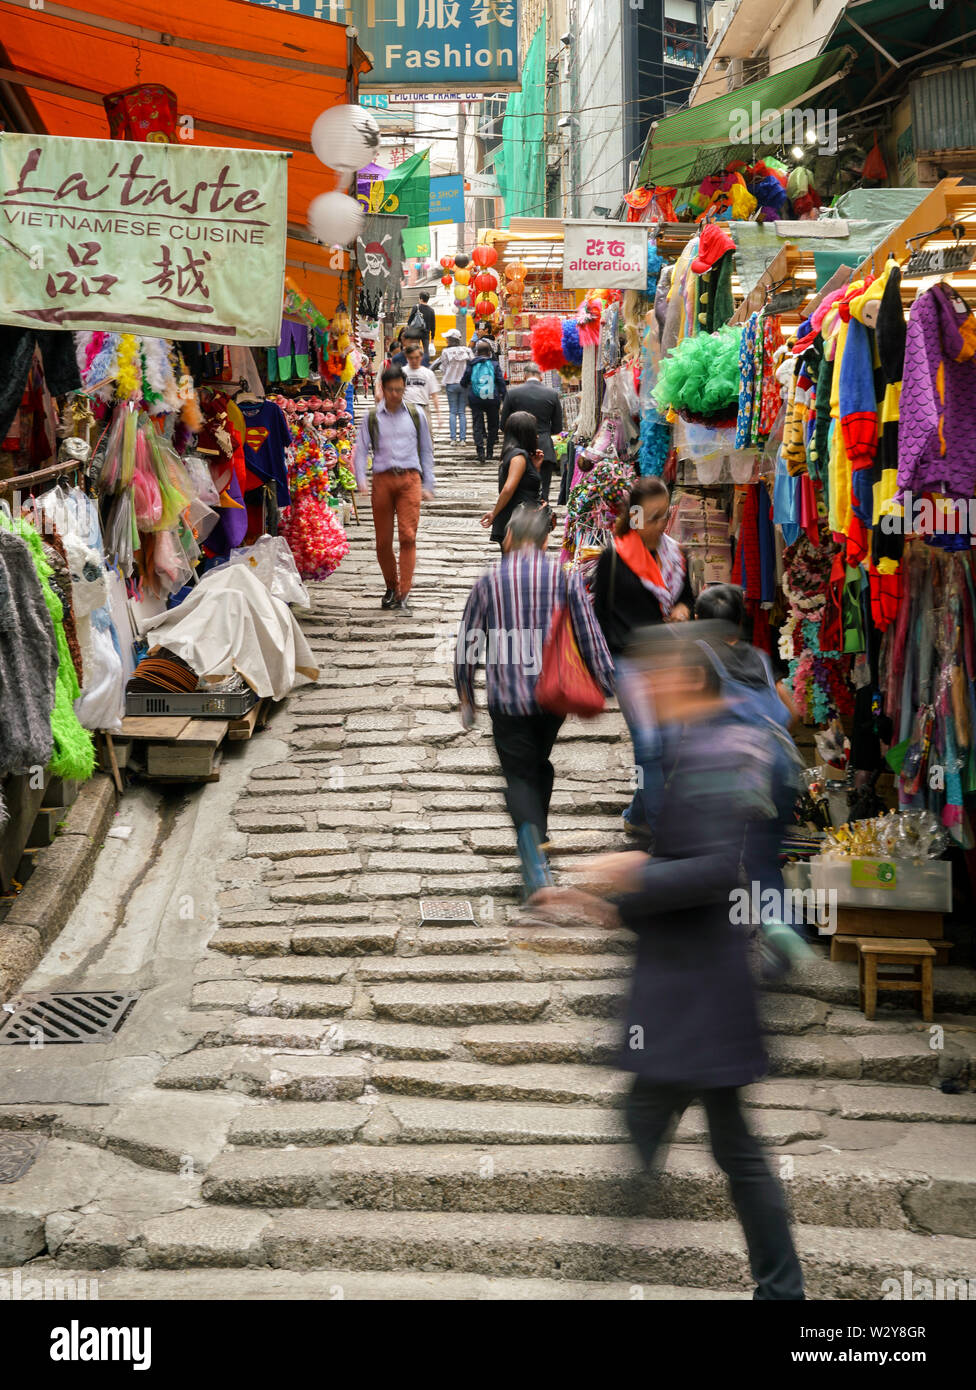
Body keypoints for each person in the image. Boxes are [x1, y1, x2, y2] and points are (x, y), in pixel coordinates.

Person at [531, 622, 805, 1302]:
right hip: (697, 993)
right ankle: (780, 1291)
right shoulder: (706, 743)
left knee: (676, 1140)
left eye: (652, 680)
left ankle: (603, 1278)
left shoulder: (719, 748)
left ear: (684, 679)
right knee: (727, 1149)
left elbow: (717, 869)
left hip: (695, 996)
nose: (644, 693)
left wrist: (633, 874)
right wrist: (596, 903)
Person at [454, 502, 614, 891]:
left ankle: (531, 850)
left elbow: (468, 643)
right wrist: (607, 680)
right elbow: (589, 635)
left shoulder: (489, 581)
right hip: (552, 698)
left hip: (508, 699)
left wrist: (465, 694)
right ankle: (537, 847)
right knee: (539, 764)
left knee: (520, 774)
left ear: (509, 537)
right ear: (545, 540)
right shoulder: (565, 578)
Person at [592, 476, 693, 838]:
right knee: (649, 744)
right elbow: (599, 617)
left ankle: (638, 811)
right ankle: (664, 831)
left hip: (668, 660)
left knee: (668, 744)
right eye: (653, 517)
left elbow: (689, 597)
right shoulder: (614, 558)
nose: (661, 524)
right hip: (629, 663)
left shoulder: (676, 556)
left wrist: (682, 607)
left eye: (665, 516)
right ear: (634, 517)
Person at [352, 364, 436, 615]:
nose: (396, 395)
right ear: (382, 389)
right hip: (382, 481)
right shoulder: (371, 417)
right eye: (391, 390)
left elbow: (426, 450)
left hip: (410, 479)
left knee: (408, 536)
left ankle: (404, 592)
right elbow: (360, 450)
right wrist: (361, 479)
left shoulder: (415, 415)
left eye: (400, 390)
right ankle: (391, 585)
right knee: (383, 541)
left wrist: (428, 483)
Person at [481, 411, 544, 553]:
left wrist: (535, 467)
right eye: (534, 431)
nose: (537, 435)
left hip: (519, 520)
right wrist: (493, 514)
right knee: (518, 569)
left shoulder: (513, 454)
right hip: (518, 522)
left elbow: (526, 486)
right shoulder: (518, 457)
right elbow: (508, 489)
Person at [500, 365, 564, 504]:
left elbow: (503, 425)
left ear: (524, 376)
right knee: (543, 493)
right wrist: (544, 432)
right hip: (544, 447)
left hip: (518, 448)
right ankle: (542, 521)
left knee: (517, 491)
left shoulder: (513, 393)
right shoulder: (552, 394)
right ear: (541, 377)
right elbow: (558, 427)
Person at [461, 339, 506, 463]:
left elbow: (464, 381)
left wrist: (466, 386)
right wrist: (504, 395)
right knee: (493, 425)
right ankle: (490, 451)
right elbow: (501, 382)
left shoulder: (471, 364)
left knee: (477, 425)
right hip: (492, 398)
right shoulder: (494, 365)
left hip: (476, 399)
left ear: (477, 352)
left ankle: (480, 451)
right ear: (489, 352)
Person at [431, 328, 472, 444]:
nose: (446, 340)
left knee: (453, 412)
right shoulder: (467, 351)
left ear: (451, 339)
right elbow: (472, 364)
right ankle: (463, 439)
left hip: (450, 384)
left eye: (448, 338)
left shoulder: (445, 352)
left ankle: (453, 439)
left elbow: (443, 367)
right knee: (462, 412)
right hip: (463, 384)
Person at [401, 338, 442, 430]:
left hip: (423, 407)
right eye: (411, 358)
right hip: (406, 408)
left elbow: (434, 395)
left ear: (421, 357)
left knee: (426, 437)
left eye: (417, 357)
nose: (414, 360)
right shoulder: (402, 372)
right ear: (407, 357)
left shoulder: (428, 373)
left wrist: (438, 415)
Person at [407, 292, 436, 363]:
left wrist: (408, 329)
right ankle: (426, 364)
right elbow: (433, 325)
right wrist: (432, 337)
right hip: (426, 333)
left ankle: (415, 363)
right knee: (426, 351)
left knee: (415, 349)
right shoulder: (431, 310)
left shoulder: (416, 307)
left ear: (421, 299)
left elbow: (410, 320)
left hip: (415, 332)